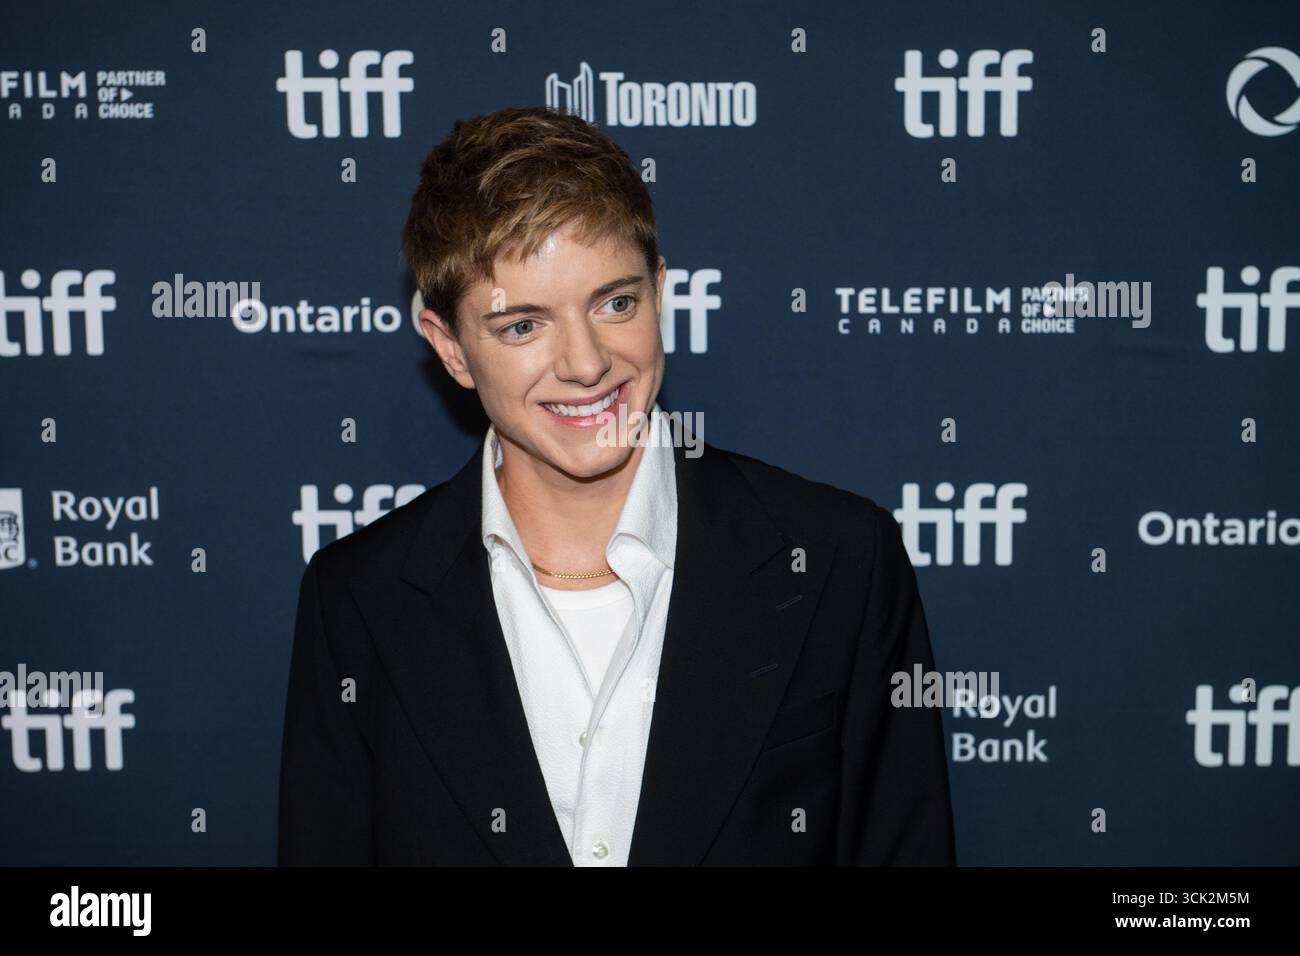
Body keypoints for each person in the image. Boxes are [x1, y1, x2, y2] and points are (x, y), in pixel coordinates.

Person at [277, 105, 955, 866]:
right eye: (522, 325)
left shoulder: (840, 561)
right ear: (452, 349)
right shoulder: (359, 603)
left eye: (615, 303)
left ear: (661, 294)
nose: (586, 362)